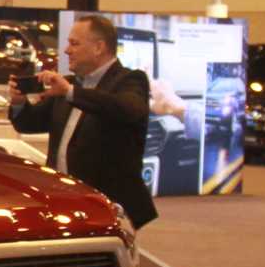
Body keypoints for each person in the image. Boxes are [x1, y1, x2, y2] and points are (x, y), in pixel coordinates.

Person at [9, 13, 157, 228]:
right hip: (66, 201)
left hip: (111, 206)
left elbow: (128, 109)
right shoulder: (69, 86)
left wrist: (70, 92)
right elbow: (29, 124)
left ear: (99, 47)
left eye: (74, 43)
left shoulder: (129, 80)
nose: (67, 50)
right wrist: (19, 102)